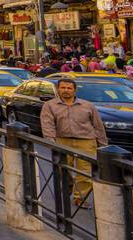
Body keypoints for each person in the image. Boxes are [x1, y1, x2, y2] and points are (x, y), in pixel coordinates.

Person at [39, 75, 107, 208]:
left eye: (69, 88)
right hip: (62, 140)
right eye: (63, 88)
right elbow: (47, 124)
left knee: (85, 172)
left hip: (86, 141)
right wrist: (51, 141)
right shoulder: (50, 106)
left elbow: (98, 126)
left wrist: (103, 145)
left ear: (74, 90)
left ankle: (80, 198)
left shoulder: (87, 105)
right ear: (58, 89)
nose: (66, 90)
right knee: (62, 169)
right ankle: (69, 186)